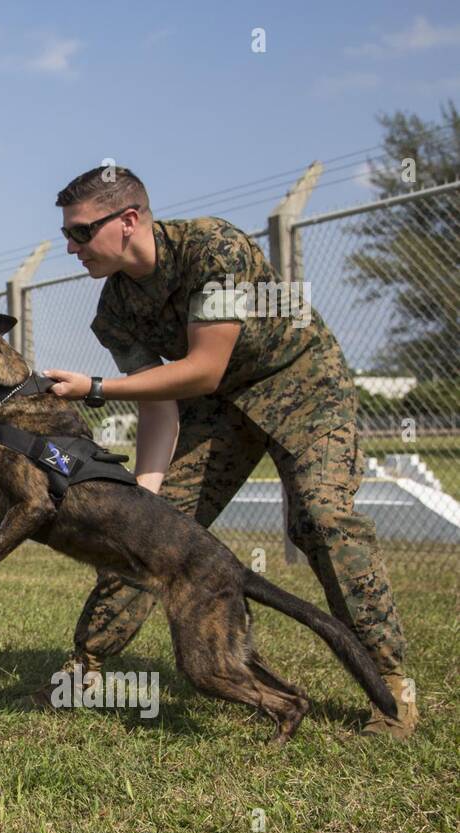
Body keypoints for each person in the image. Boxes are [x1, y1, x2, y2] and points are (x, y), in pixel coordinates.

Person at [38, 165, 417, 739]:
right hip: (216, 411)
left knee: (322, 517)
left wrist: (95, 388)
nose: (70, 246)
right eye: (69, 233)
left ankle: (390, 689)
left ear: (129, 220)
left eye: (82, 231)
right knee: (145, 528)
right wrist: (145, 494)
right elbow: (161, 401)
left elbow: (206, 367)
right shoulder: (113, 312)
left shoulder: (213, 248)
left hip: (303, 386)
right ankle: (87, 666)